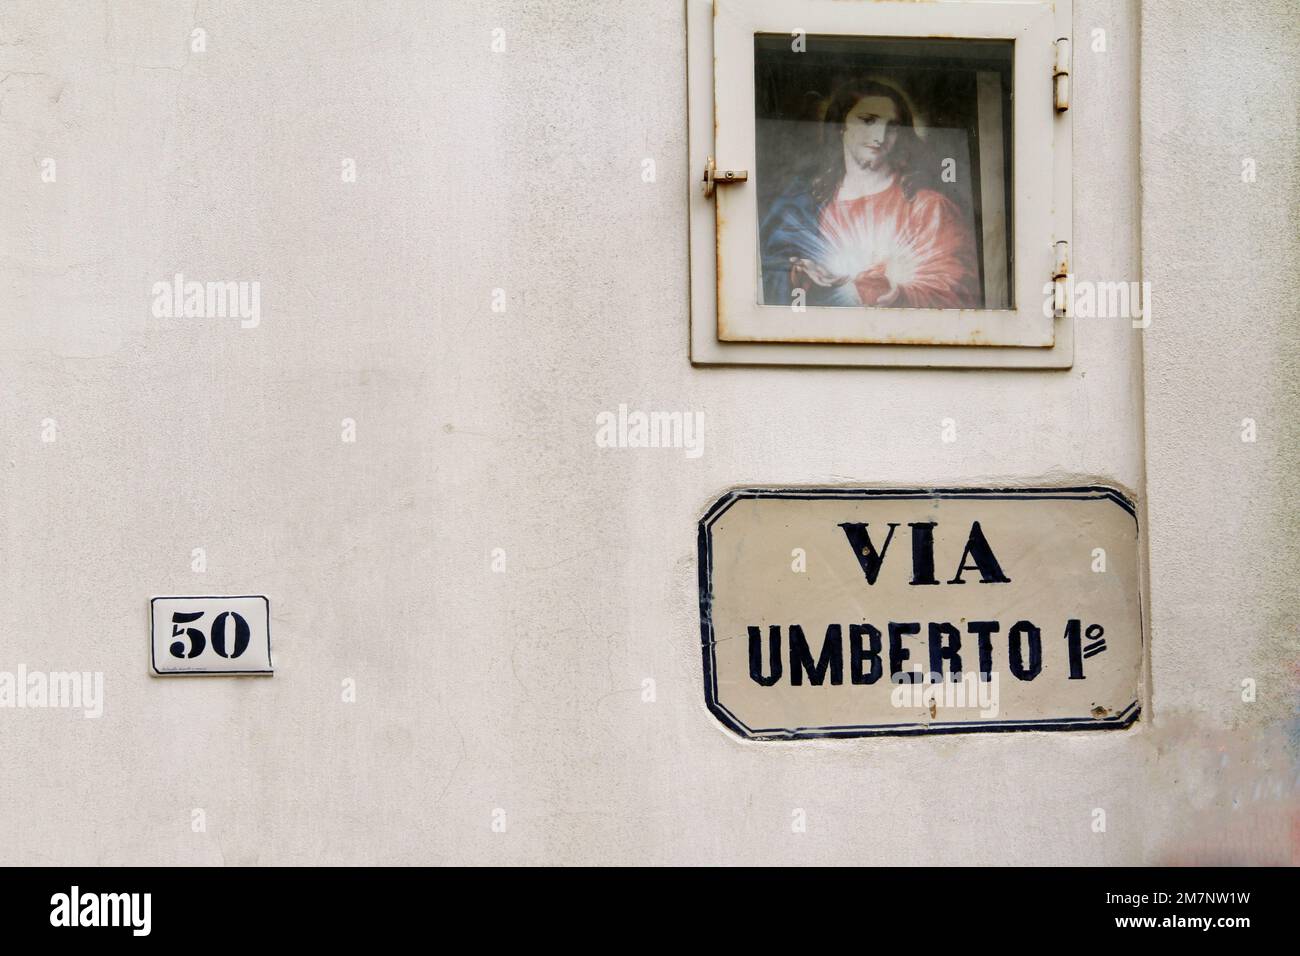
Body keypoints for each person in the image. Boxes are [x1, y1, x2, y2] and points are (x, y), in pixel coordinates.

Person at [760, 79, 981, 310]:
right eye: (867, 121)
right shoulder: (805, 203)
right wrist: (798, 275)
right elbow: (764, 277)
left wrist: (901, 295)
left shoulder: (926, 207)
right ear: (840, 125)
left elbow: (959, 290)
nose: (880, 135)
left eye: (893, 126)